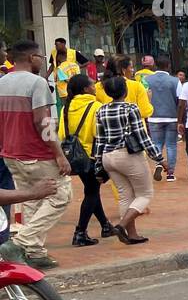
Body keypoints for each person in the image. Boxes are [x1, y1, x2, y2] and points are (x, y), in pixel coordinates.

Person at [0, 40, 73, 268]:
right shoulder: (37, 83)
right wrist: (59, 154)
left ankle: (35, 253)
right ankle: (22, 242)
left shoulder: (1, 82)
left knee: (32, 199)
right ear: (31, 58)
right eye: (40, 57)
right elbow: (44, 121)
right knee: (61, 195)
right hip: (37, 153)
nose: (42, 60)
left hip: (11, 153)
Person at [92, 74, 164, 245]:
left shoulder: (101, 110)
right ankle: (122, 226)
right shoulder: (131, 108)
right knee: (145, 194)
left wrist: (97, 165)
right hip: (128, 154)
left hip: (108, 157)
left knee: (125, 196)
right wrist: (159, 158)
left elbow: (99, 140)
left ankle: (131, 234)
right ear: (125, 90)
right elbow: (142, 136)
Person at [62, 74, 112, 246]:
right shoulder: (96, 106)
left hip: (75, 156)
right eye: (92, 84)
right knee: (91, 193)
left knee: (92, 190)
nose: (95, 86)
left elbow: (62, 134)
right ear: (85, 89)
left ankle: (105, 225)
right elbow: (99, 134)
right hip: (92, 155)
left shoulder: (66, 107)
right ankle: (80, 232)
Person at [145, 56, 181, 181]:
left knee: (157, 144)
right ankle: (170, 173)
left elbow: (144, 97)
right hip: (171, 117)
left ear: (155, 65)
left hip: (153, 117)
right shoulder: (175, 81)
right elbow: (180, 100)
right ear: (168, 66)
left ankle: (159, 164)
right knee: (171, 145)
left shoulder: (146, 80)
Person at [95, 55, 153, 119]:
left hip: (109, 127)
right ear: (123, 70)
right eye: (131, 67)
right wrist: (149, 100)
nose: (133, 70)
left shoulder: (98, 87)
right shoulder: (137, 86)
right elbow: (145, 112)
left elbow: (96, 112)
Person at [54, 48, 82, 119]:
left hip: (64, 93)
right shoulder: (75, 65)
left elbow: (65, 80)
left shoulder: (60, 68)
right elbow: (78, 77)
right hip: (76, 91)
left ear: (59, 58)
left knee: (66, 110)